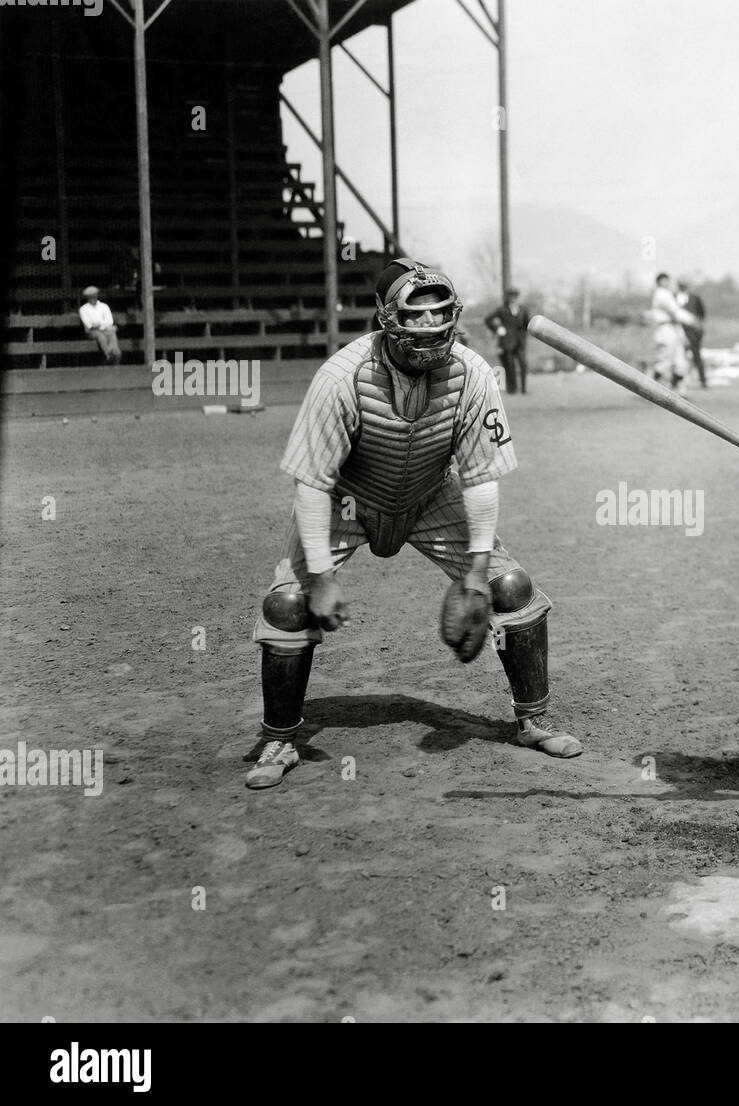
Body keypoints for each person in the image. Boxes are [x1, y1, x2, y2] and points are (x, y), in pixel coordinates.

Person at [245, 258, 582, 790]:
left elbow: (481, 478)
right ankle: (280, 739)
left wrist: (476, 573)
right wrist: (321, 579)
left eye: (439, 314)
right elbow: (310, 483)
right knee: (287, 604)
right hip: (348, 499)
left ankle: (532, 722)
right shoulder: (340, 378)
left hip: (430, 495)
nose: (430, 326)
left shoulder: (473, 374)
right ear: (387, 319)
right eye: (415, 316)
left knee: (511, 587)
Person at [649, 272, 695, 391]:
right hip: (665, 328)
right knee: (665, 360)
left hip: (674, 327)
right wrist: (692, 320)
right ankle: (650, 387)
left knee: (680, 360)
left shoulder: (669, 293)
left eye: (667, 280)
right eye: (664, 280)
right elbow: (675, 311)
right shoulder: (661, 294)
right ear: (659, 282)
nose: (667, 282)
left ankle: (678, 389)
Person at [484, 286, 532, 395]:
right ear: (508, 297)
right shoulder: (502, 310)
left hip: (520, 343)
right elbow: (488, 319)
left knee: (523, 364)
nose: (513, 298)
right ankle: (512, 389)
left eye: (515, 296)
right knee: (510, 366)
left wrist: (526, 333)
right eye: (511, 296)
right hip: (507, 342)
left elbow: (527, 324)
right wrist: (497, 328)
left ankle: (524, 389)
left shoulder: (523, 310)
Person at [78, 286, 121, 364]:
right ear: (87, 297)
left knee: (112, 332)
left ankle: (115, 353)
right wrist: (102, 324)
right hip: (91, 331)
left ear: (96, 295)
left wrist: (99, 324)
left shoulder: (104, 306)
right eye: (90, 296)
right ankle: (109, 354)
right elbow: (89, 324)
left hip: (105, 329)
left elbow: (110, 321)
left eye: (93, 295)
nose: (92, 297)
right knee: (101, 335)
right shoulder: (83, 309)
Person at [677, 280, 708, 388]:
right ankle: (676, 380)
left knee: (696, 355)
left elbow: (702, 312)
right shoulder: (675, 297)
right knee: (678, 355)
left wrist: (697, 324)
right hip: (679, 329)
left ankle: (702, 379)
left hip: (692, 331)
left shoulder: (694, 298)